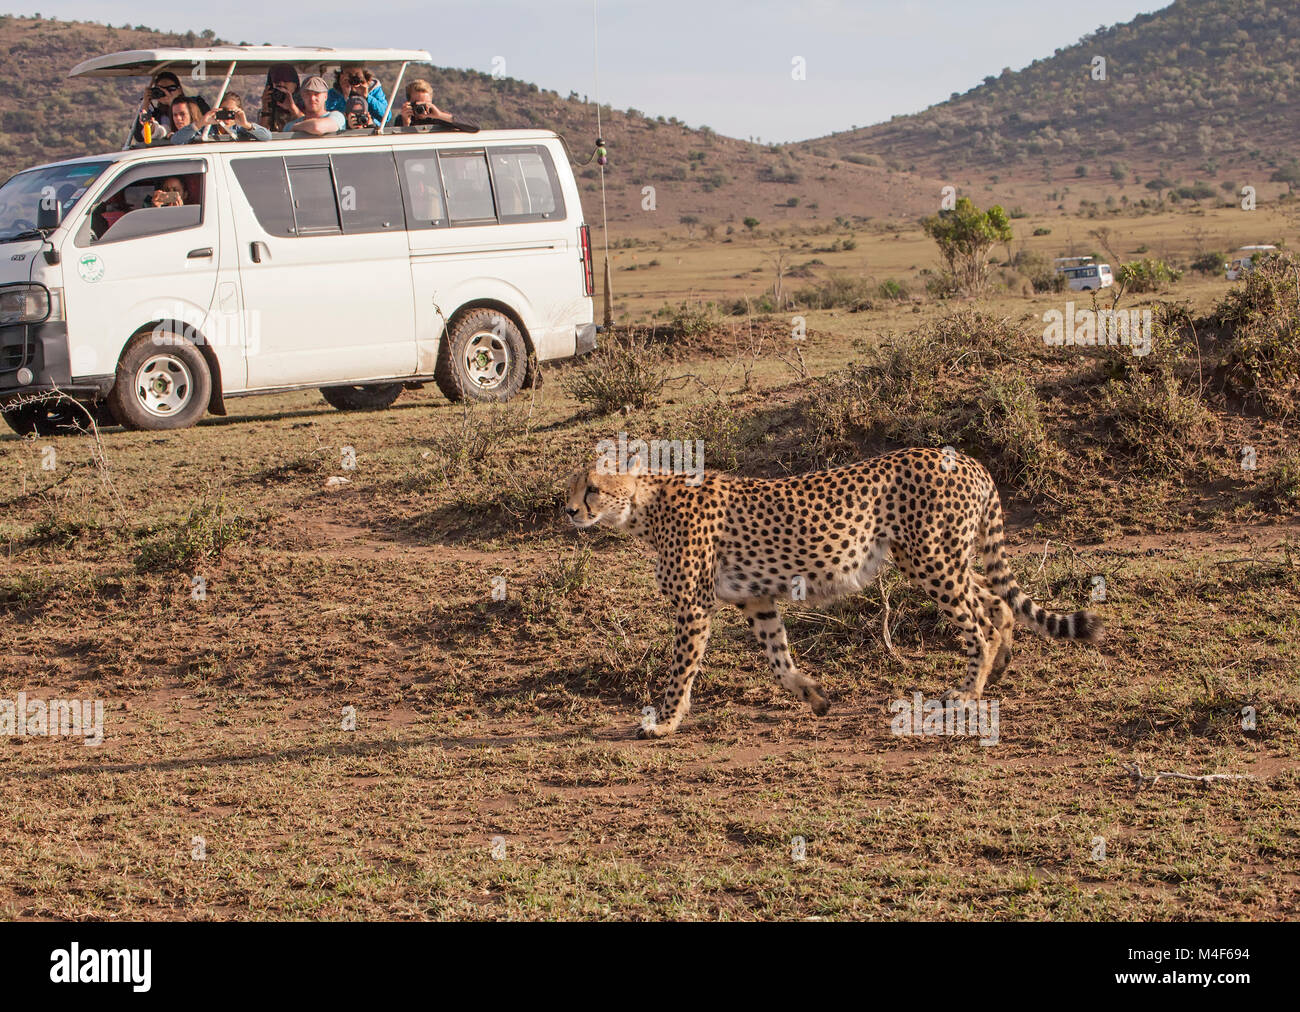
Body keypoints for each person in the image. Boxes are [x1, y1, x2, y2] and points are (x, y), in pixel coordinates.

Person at [172, 93, 271, 143]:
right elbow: (176, 140)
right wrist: (200, 123)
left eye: (231, 112)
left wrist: (246, 125)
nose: (227, 115)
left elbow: (267, 136)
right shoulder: (206, 130)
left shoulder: (241, 129)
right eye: (224, 111)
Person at [132, 71, 185, 143]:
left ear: (179, 90)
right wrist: (145, 104)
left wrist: (172, 103)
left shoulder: (192, 106)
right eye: (160, 90)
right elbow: (140, 137)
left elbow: (187, 126)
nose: (166, 93)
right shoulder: (156, 115)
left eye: (171, 89)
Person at [259, 64, 300, 132]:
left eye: (286, 81)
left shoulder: (306, 106)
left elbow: (309, 126)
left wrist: (293, 108)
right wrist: (265, 109)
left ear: (295, 85)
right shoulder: (268, 110)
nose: (281, 84)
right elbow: (261, 134)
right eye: (277, 82)